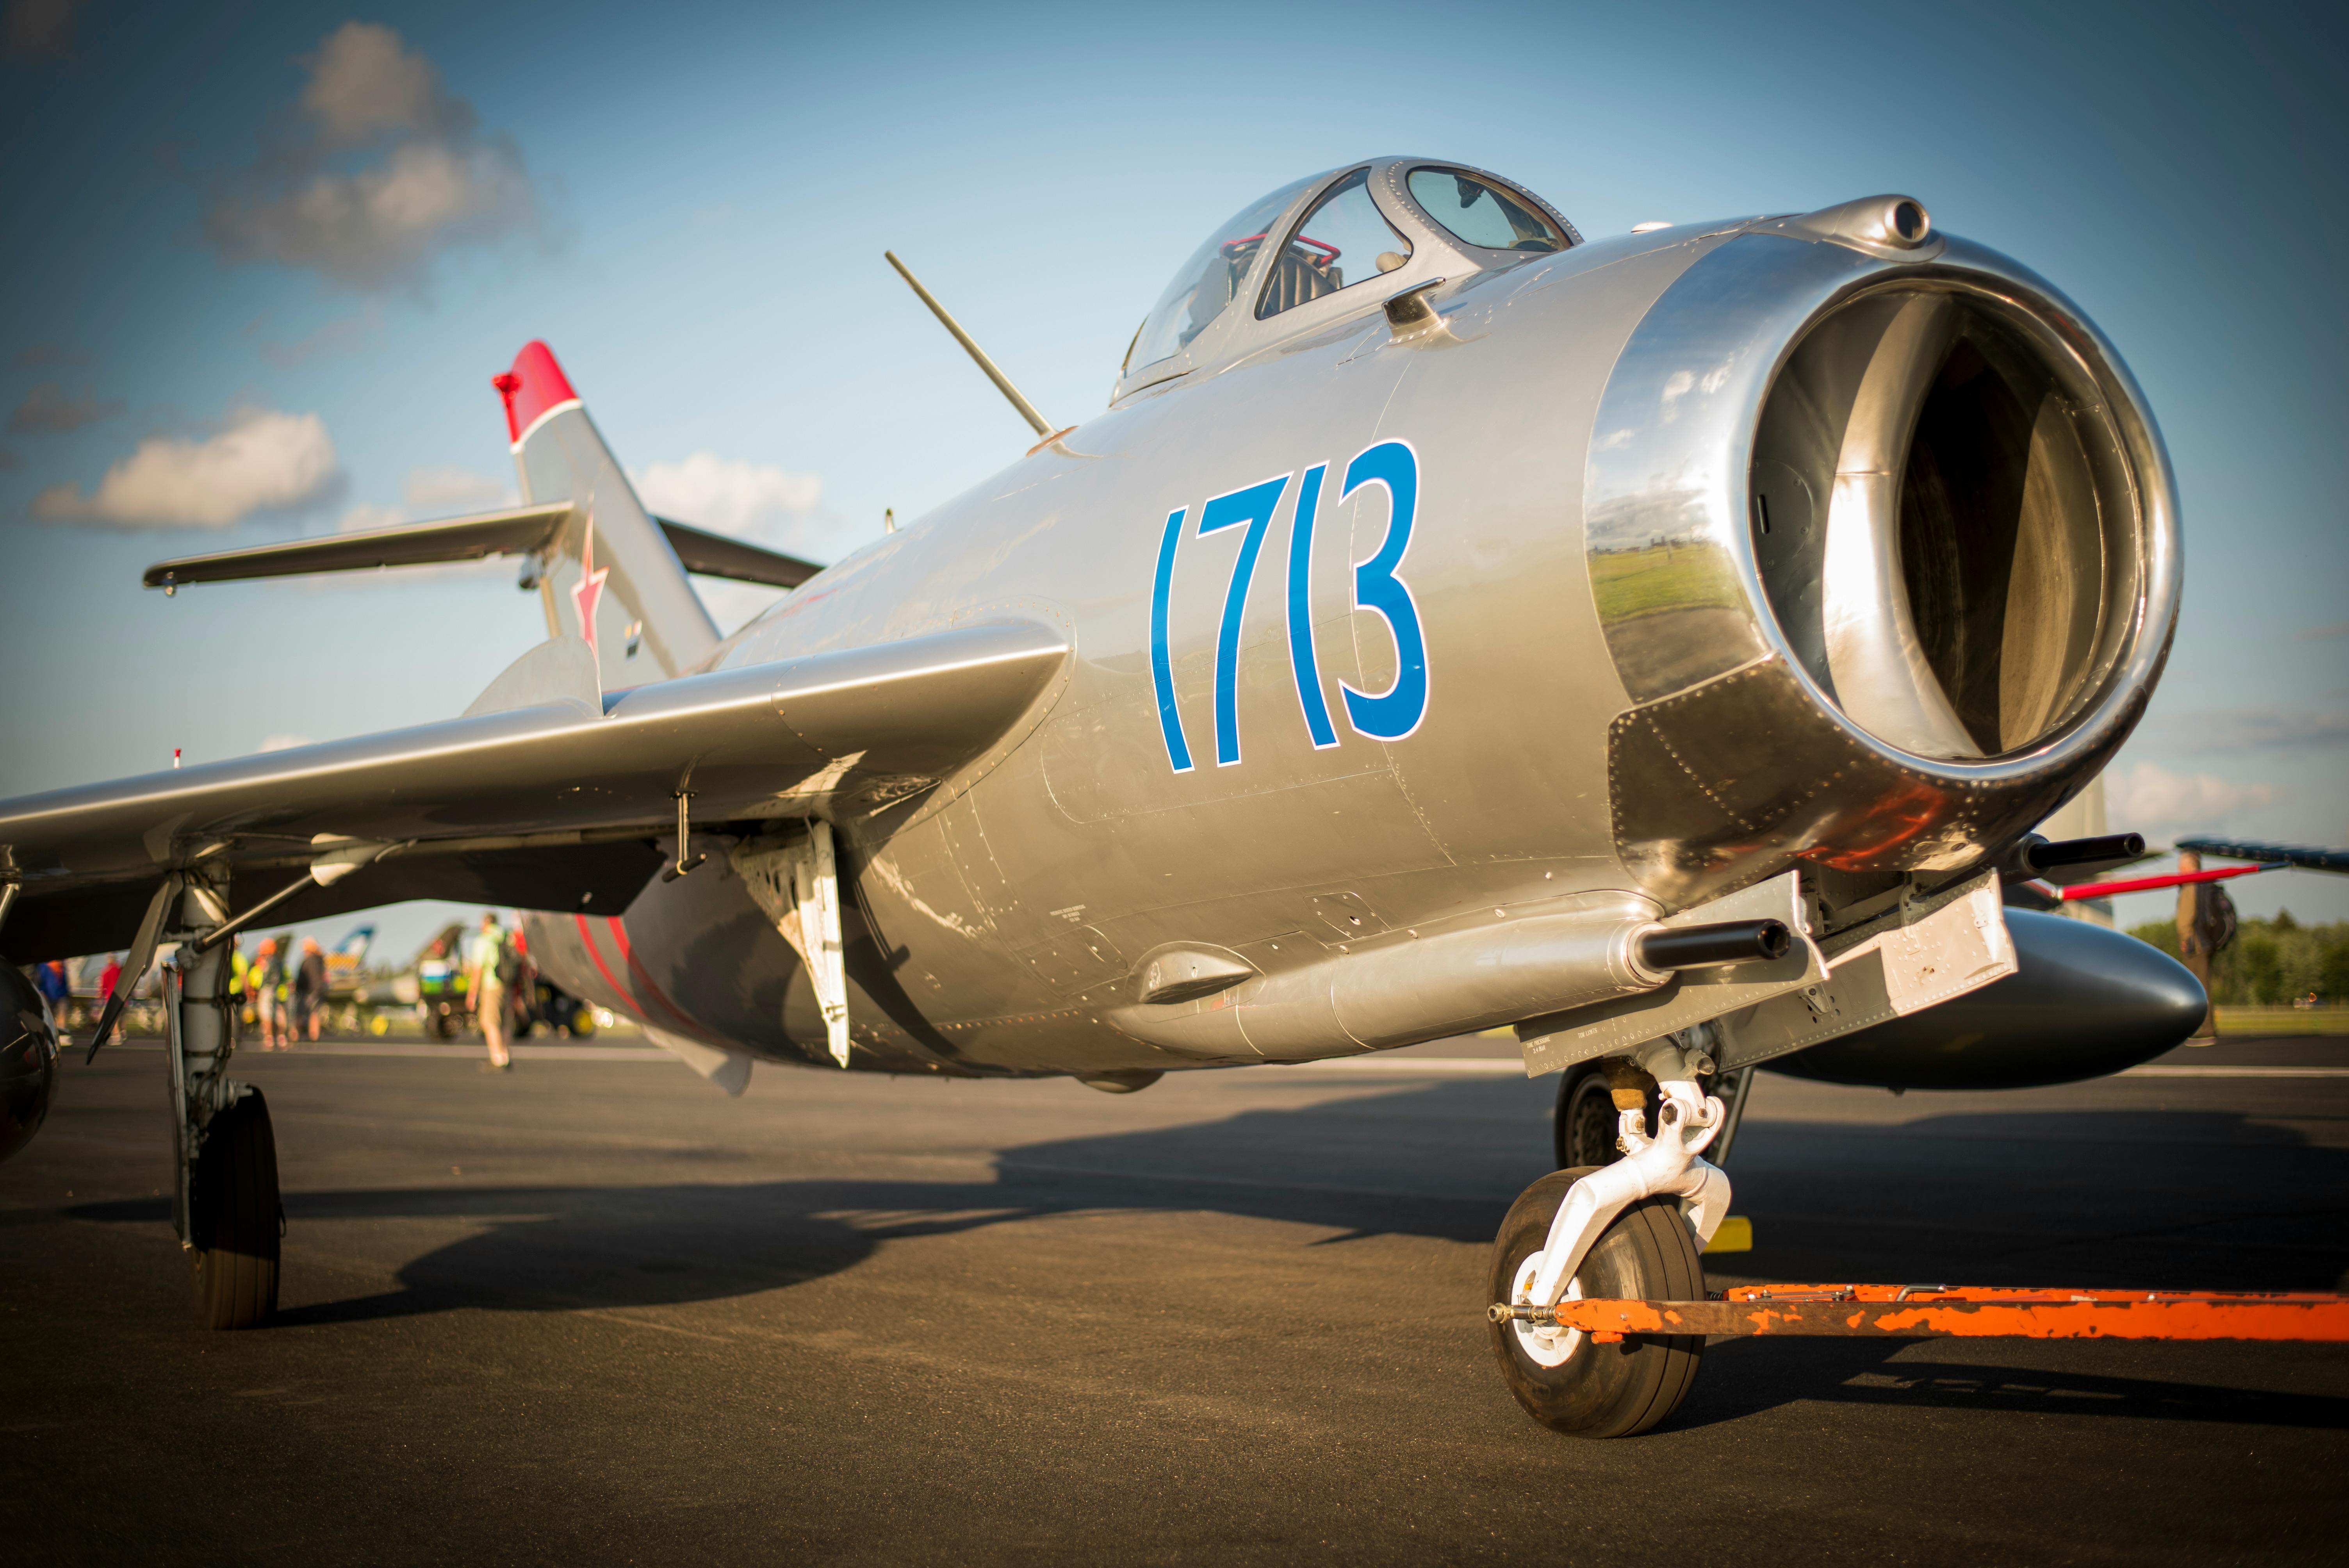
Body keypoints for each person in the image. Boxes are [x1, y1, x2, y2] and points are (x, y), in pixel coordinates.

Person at [465, 911, 514, 1071]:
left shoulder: (484, 940)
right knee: (505, 1022)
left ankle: (498, 1058)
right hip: (508, 984)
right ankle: (506, 1055)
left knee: (490, 1022)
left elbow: (478, 970)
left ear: (485, 923)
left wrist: (472, 993)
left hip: (492, 985)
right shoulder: (506, 937)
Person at [251, 937, 286, 1049]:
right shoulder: (279, 960)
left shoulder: (268, 961)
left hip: (267, 989)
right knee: (277, 1012)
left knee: (266, 1013)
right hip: (276, 990)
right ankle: (281, 1036)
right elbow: (283, 976)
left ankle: (269, 1037)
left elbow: (264, 977)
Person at [293, 936, 328, 1043]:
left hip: (310, 991)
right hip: (317, 990)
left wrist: (312, 991)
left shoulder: (311, 960)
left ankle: (298, 1035)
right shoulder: (319, 960)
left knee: (302, 1013)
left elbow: (312, 977)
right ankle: (314, 1035)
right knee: (314, 1013)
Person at [36, 959, 72, 1046]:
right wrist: (42, 992)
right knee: (49, 1017)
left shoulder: (60, 967)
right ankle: (49, 1037)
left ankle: (61, 1037)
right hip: (49, 996)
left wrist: (67, 992)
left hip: (60, 995)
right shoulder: (44, 966)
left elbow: (64, 981)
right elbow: (41, 980)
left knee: (62, 1016)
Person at [96, 953, 123, 1046]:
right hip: (120, 997)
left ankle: (116, 1035)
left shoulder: (107, 971)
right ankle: (120, 1033)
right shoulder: (120, 970)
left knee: (111, 1017)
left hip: (111, 996)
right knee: (118, 1017)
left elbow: (103, 985)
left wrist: (100, 996)